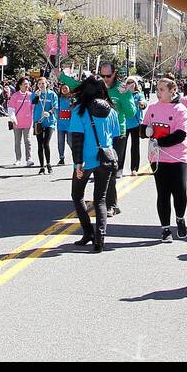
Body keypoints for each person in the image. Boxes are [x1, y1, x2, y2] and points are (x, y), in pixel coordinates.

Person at [68, 75, 119, 252]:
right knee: (101, 200)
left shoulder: (79, 111)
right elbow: (115, 135)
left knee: (77, 195)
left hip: (85, 159)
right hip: (106, 158)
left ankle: (88, 231)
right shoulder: (112, 111)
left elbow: (77, 140)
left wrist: (77, 164)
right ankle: (100, 238)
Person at [140, 78, 187, 242]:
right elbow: (143, 128)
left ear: (172, 91)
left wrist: (159, 141)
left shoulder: (180, 109)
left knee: (179, 192)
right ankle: (165, 229)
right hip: (157, 158)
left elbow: (180, 135)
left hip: (177, 157)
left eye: (162, 89)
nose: (158, 92)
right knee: (163, 193)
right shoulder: (153, 107)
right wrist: (146, 131)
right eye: (157, 88)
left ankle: (180, 218)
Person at [30, 77, 57, 175]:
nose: (41, 85)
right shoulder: (35, 94)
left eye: (43, 83)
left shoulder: (52, 94)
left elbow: (55, 106)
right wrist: (37, 96)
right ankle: (42, 166)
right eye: (39, 83)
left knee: (46, 143)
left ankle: (49, 164)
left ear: (47, 84)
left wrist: (50, 112)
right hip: (38, 121)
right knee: (40, 144)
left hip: (49, 121)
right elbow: (33, 102)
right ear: (37, 85)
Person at [8, 76, 34, 168]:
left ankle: (29, 159)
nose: (27, 86)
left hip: (27, 122)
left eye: (28, 84)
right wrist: (13, 119)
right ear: (20, 85)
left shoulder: (31, 95)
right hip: (17, 122)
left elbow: (34, 108)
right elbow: (11, 109)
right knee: (17, 141)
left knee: (27, 141)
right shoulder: (15, 95)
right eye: (24, 84)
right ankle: (18, 159)